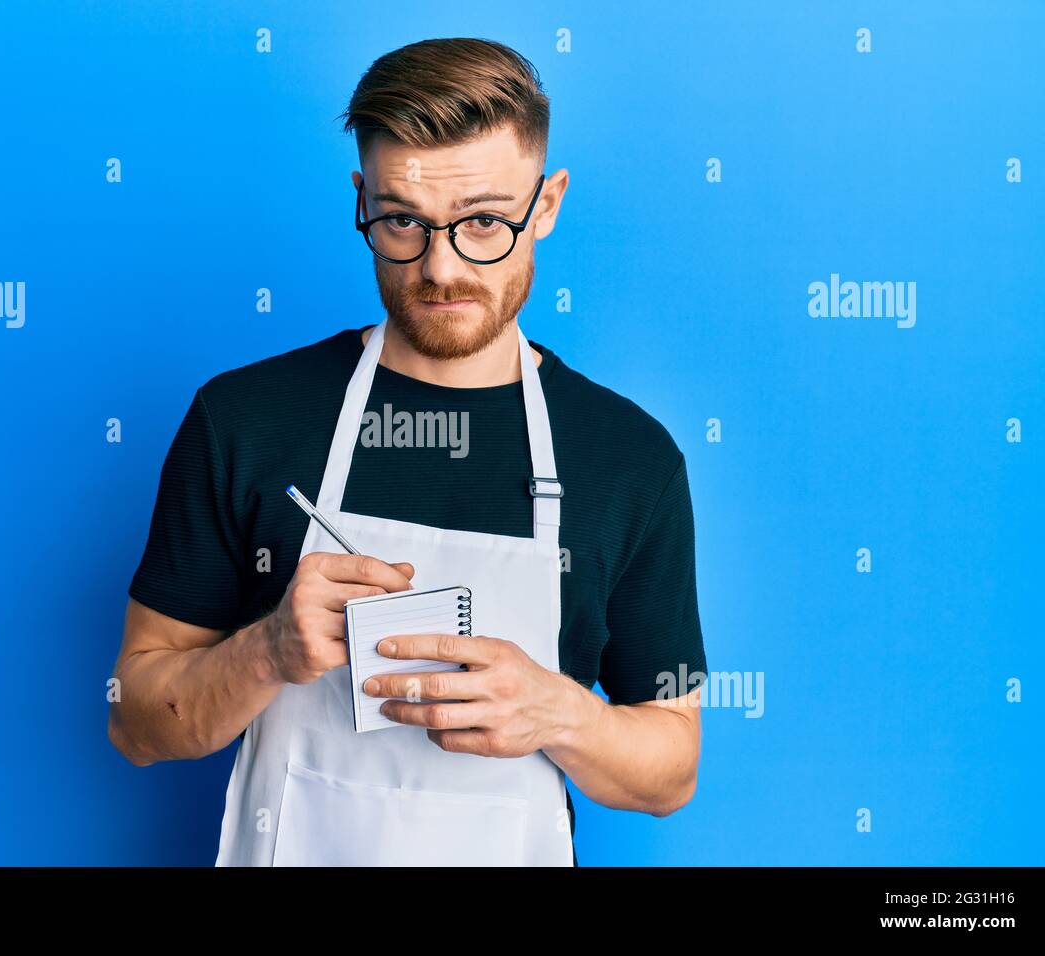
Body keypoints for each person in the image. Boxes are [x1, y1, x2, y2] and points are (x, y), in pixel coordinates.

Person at [108, 37, 707, 866]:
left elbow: (672, 764)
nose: (441, 266)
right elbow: (135, 720)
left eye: (485, 222)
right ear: (362, 199)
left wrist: (560, 713)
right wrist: (267, 649)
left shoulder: (628, 460)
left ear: (549, 203)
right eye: (402, 222)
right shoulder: (244, 418)